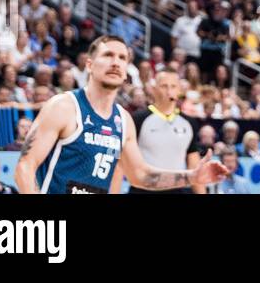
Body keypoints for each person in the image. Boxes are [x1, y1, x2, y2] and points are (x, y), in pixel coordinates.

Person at [14, 35, 229, 194]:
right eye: (108, 55)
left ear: (126, 71)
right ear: (89, 64)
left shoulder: (124, 120)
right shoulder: (64, 106)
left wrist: (192, 177)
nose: (115, 62)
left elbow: (140, 175)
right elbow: (25, 166)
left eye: (122, 58)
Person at [119, 70, 202, 195]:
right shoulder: (137, 118)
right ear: (153, 89)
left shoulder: (189, 123)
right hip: (142, 190)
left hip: (177, 190)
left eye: (173, 86)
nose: (169, 90)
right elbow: (121, 161)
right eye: (164, 86)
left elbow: (193, 165)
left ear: (180, 90)